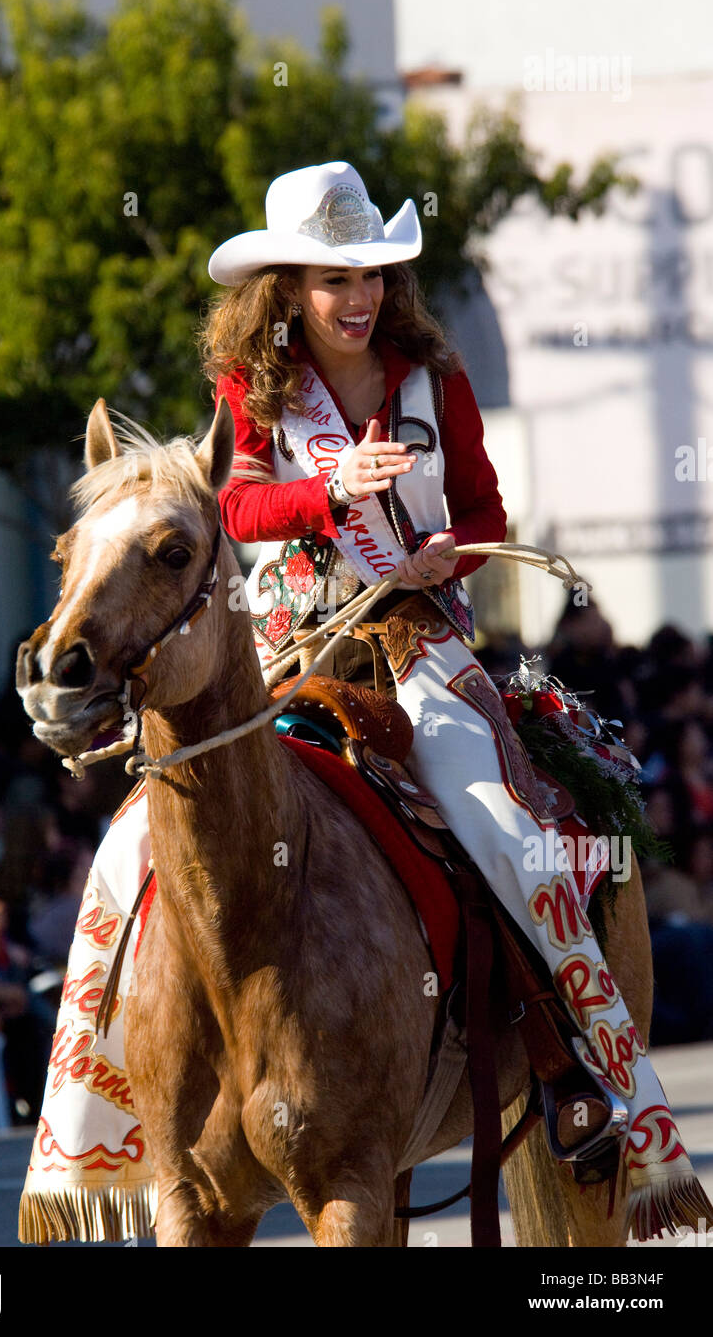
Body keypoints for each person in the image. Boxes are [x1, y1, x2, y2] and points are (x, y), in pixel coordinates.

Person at [196, 160, 711, 1231]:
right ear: (285, 286)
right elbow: (233, 507)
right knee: (152, 831)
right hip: (287, 652)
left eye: (373, 273)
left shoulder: (433, 380)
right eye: (334, 276)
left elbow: (482, 508)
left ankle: (579, 1074)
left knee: (504, 830)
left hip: (409, 641)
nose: (359, 295)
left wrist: (441, 555)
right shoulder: (253, 389)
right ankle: (98, 1128)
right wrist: (327, 489)